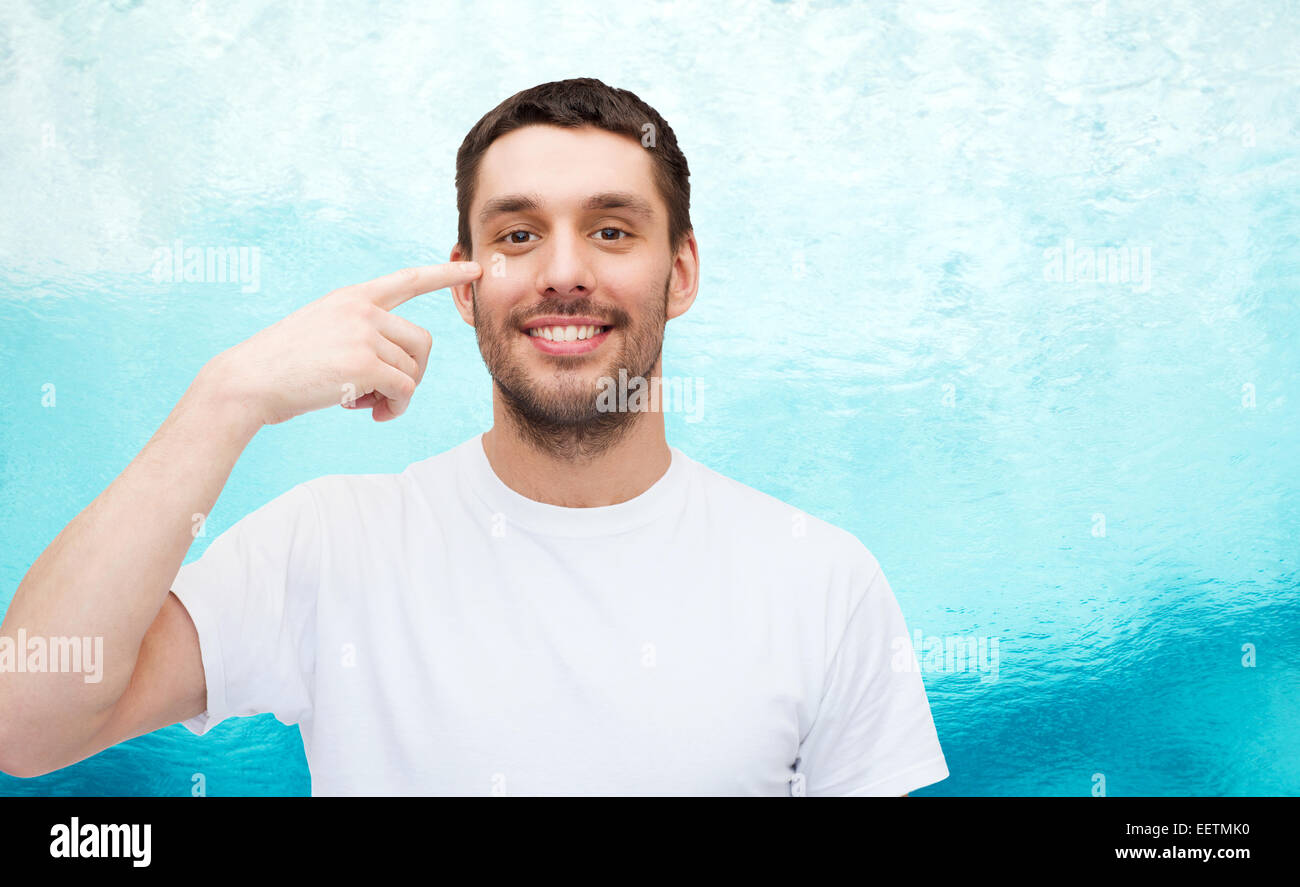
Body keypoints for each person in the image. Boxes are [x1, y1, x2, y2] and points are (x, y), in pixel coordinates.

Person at [0, 78, 948, 796]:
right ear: (465, 280)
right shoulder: (332, 546)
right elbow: (26, 720)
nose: (564, 272)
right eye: (518, 235)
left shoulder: (821, 580)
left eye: (613, 231)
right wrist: (228, 394)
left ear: (682, 271)